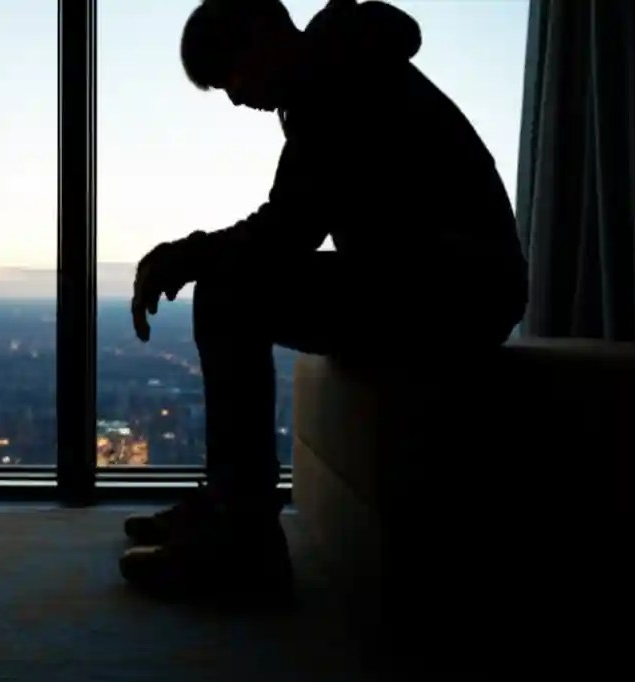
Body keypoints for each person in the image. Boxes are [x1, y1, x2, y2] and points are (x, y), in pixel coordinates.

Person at [118, 0, 529, 605]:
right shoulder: (340, 72)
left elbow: (287, 230)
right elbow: (293, 224)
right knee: (232, 283)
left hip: (454, 293)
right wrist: (197, 254)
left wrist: (188, 255)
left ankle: (244, 545)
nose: (233, 99)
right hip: (447, 283)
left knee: (231, 294)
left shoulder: (340, 81)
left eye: (229, 75)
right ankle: (234, 508)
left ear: (262, 34)